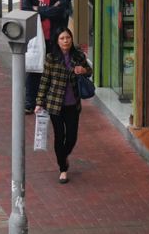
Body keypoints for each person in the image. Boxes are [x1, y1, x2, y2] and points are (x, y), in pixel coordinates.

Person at [34, 28, 92, 184]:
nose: (66, 41)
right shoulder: (51, 58)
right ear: (57, 41)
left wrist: (84, 70)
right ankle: (63, 169)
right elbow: (45, 81)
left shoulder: (78, 56)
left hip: (73, 104)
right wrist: (39, 102)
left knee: (72, 137)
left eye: (68, 37)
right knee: (59, 136)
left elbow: (89, 71)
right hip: (55, 104)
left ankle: (63, 155)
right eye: (62, 38)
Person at [22, 0, 76, 112]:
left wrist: (38, 10)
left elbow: (60, 11)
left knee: (52, 70)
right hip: (36, 38)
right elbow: (26, 10)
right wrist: (50, 9)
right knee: (33, 70)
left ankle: (48, 101)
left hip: (54, 37)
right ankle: (30, 102)